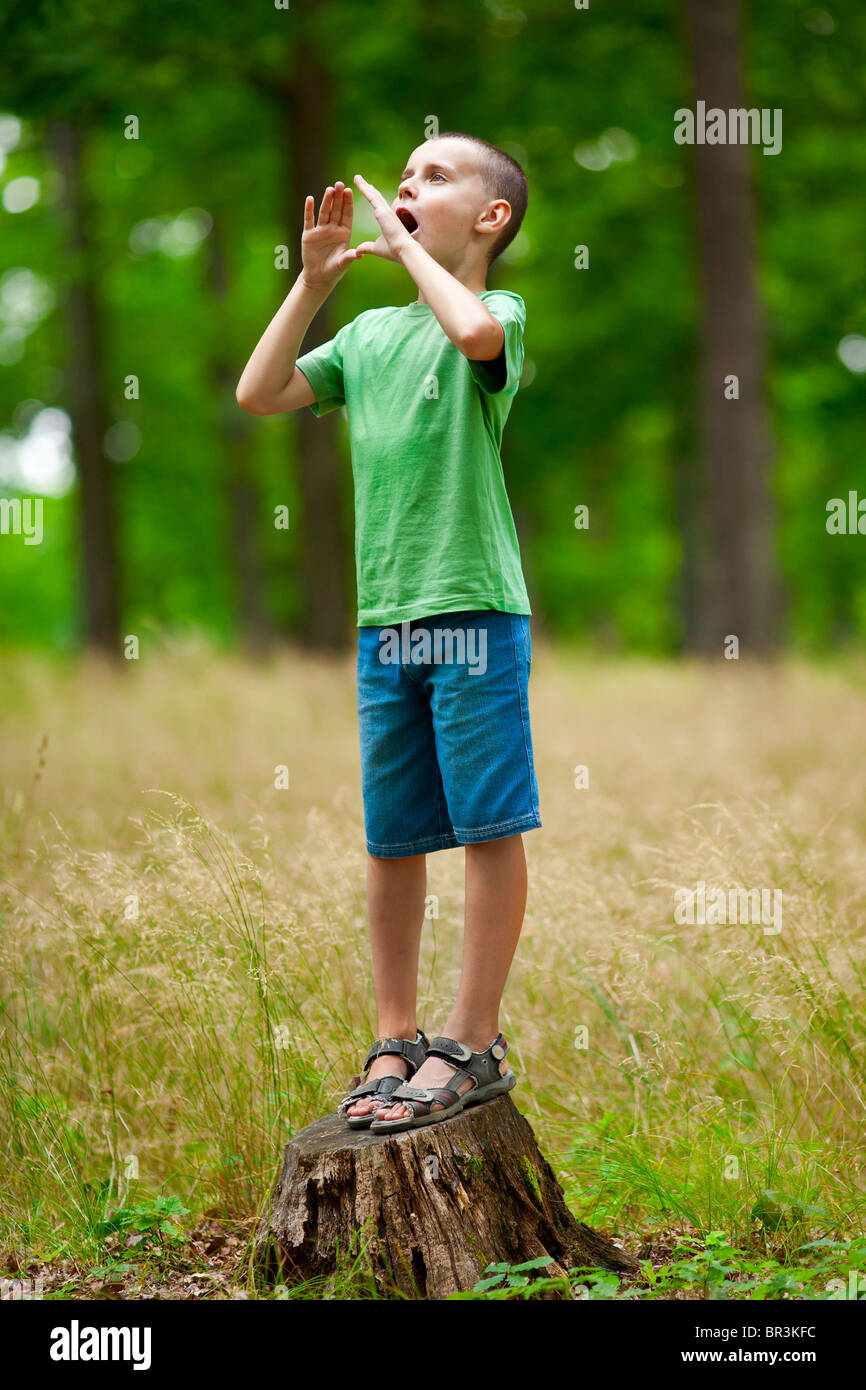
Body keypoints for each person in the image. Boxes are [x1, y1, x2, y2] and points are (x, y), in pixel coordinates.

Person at [236, 132, 541, 1134]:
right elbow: (261, 390)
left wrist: (408, 253)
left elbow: (473, 339)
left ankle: (470, 1038)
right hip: (386, 624)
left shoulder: (496, 311)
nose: (406, 190)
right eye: (403, 179)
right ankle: (395, 1033)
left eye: (434, 179)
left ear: (490, 218)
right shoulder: (364, 340)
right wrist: (314, 282)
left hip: (474, 613)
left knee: (487, 825)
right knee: (393, 835)